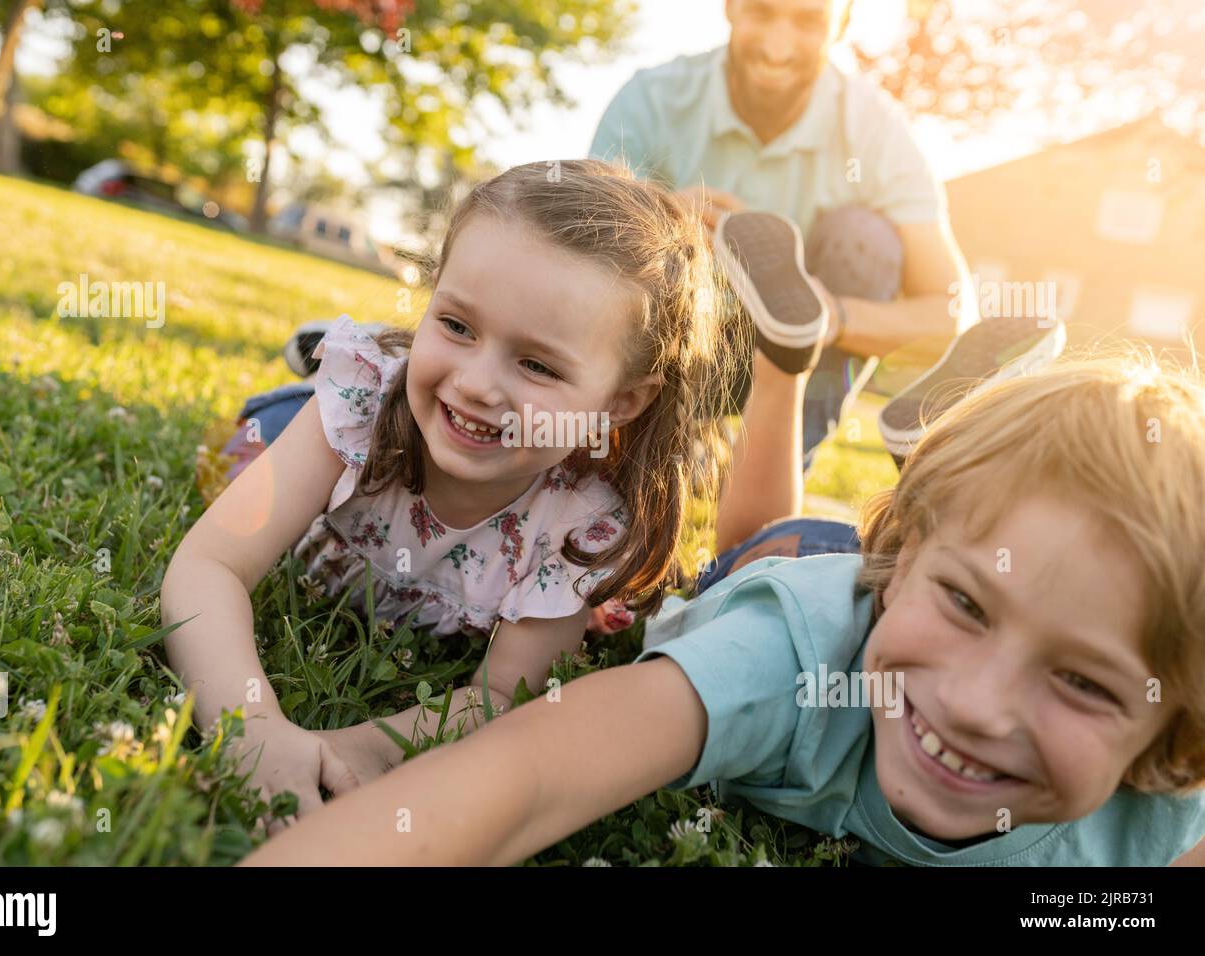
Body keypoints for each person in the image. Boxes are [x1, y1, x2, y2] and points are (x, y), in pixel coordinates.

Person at [240, 353, 1205, 866]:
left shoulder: (1163, 820)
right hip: (796, 577)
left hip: (901, 558)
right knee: (762, 542)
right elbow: (523, 779)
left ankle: (942, 461)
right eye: (967, 605)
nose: (980, 706)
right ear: (903, 569)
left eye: (1082, 681)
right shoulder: (785, 656)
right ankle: (790, 368)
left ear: (1175, 737)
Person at [161, 159, 743, 831]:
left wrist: (342, 754)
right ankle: (320, 360)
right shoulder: (360, 404)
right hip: (354, 422)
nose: (475, 383)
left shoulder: (580, 529)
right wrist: (251, 725)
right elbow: (209, 565)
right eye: (458, 325)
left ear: (620, 403)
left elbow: (497, 696)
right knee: (255, 440)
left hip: (427, 413)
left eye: (536, 365)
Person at [586, 0, 1065, 542]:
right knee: (616, 234)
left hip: (797, 367)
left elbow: (950, 311)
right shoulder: (652, 97)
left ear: (842, 23)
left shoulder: (875, 128)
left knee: (866, 237)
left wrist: (827, 316)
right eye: (762, 12)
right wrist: (660, 220)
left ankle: (771, 473)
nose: (778, 44)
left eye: (807, 20)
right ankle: (648, 463)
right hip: (675, 341)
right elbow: (578, 270)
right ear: (729, 8)